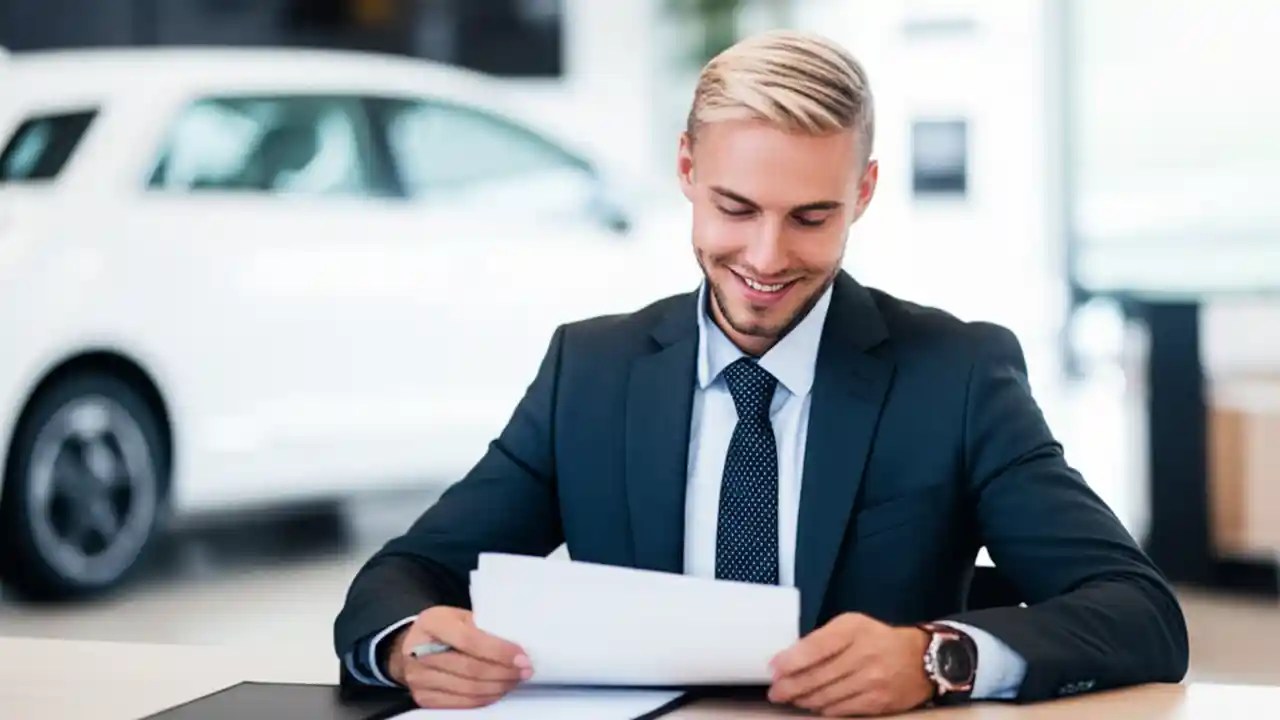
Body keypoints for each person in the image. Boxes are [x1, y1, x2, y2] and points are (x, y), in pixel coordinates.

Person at [334, 29, 1187, 716]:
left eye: (811, 217)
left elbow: (1137, 611)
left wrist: (940, 656)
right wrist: (411, 642)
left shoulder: (956, 373)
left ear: (863, 194)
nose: (767, 258)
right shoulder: (589, 372)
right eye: (735, 209)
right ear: (686, 173)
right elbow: (403, 579)